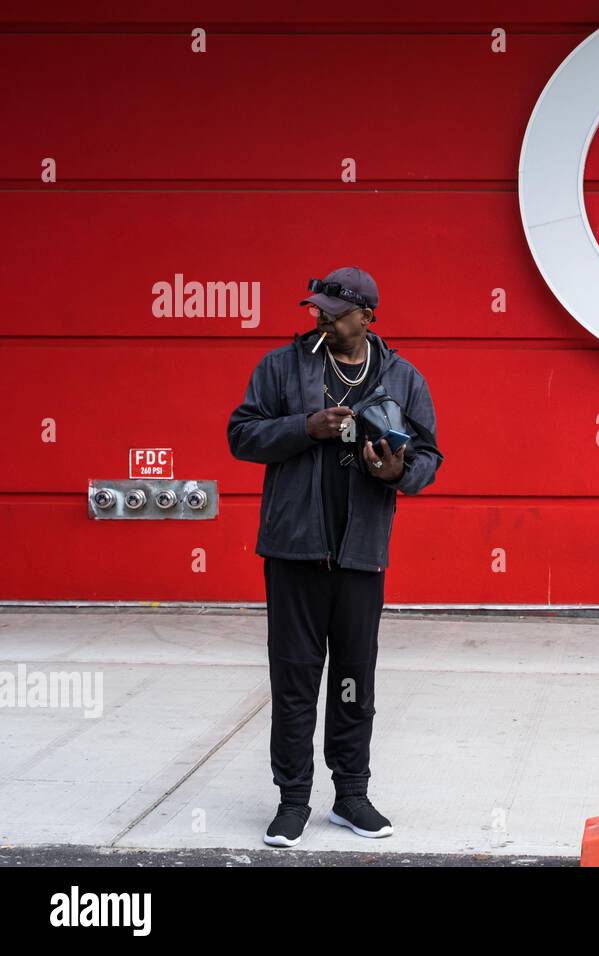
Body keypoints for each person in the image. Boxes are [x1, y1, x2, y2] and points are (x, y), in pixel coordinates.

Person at [227, 266, 445, 847]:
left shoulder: (402, 377)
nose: (319, 316)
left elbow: (429, 457)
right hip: (293, 552)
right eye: (317, 307)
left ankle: (350, 796)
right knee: (295, 680)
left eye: (334, 310)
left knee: (353, 679)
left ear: (367, 316)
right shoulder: (282, 367)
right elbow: (241, 435)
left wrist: (400, 472)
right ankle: (293, 800)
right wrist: (306, 427)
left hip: (360, 554)